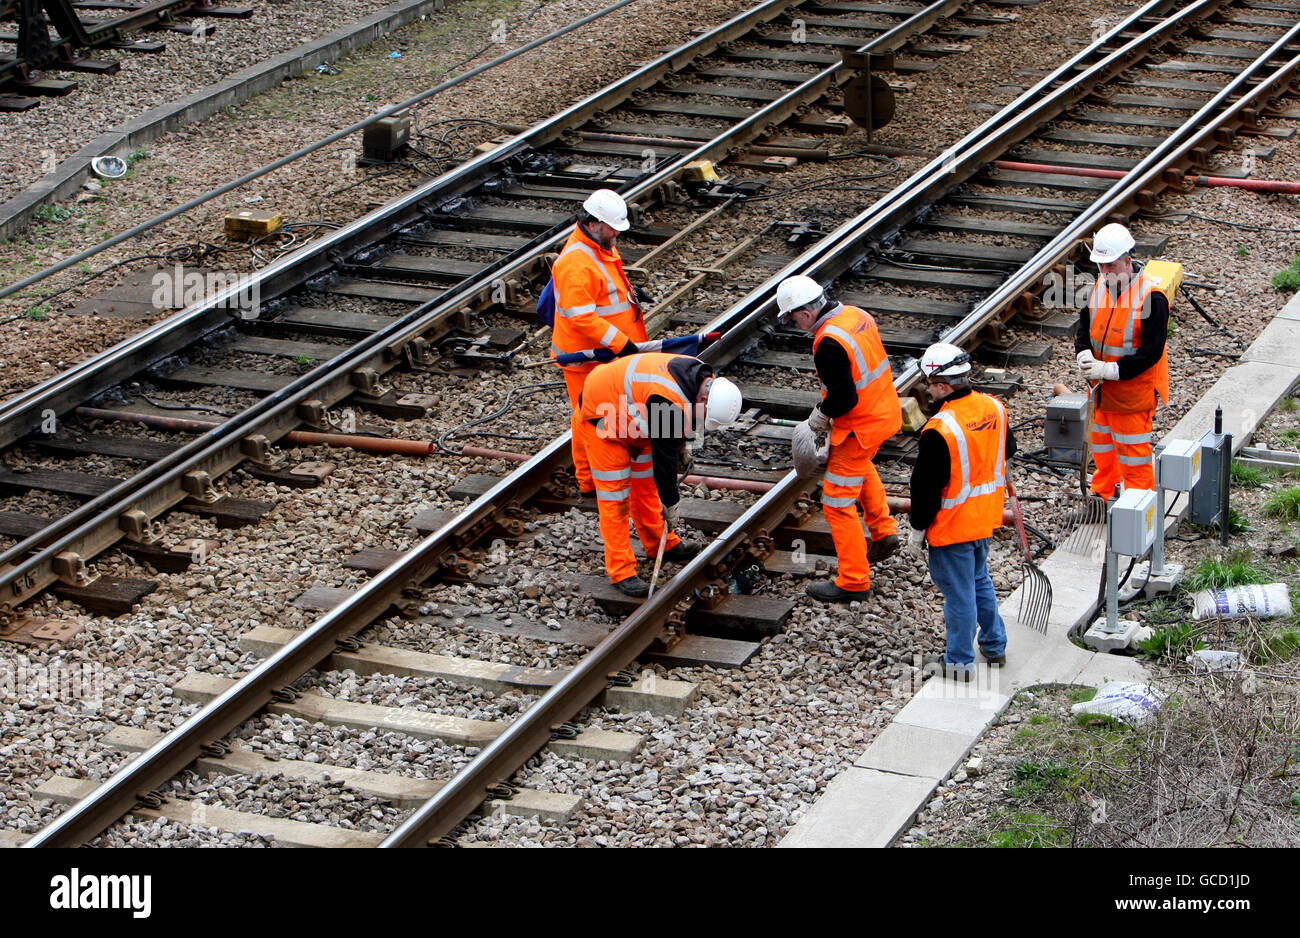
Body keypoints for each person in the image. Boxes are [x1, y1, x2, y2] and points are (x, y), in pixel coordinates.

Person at [778, 275, 902, 603]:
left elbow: (844, 397)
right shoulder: (856, 315)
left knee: (835, 501)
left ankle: (854, 581)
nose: (796, 325)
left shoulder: (829, 342)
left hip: (859, 426)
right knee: (860, 466)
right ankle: (883, 531)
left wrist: (820, 416)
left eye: (793, 319)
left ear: (805, 313)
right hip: (883, 412)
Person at [578, 352, 743, 596]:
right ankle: (621, 571)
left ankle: (661, 544)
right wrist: (671, 502)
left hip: (639, 419)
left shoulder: (704, 379)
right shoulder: (667, 399)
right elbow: (664, 464)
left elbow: (684, 422)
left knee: (646, 490)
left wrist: (684, 444)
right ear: (704, 399)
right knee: (615, 500)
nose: (702, 420)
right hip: (605, 421)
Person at [908, 342, 1016, 680]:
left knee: (959, 595)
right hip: (985, 518)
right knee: (979, 580)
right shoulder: (994, 407)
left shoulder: (940, 429)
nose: (927, 390)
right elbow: (1008, 450)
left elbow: (925, 489)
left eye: (929, 384)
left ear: (942, 386)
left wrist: (917, 528)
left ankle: (958, 662)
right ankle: (995, 644)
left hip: (953, 526)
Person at [550, 189, 649, 493]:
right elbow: (581, 317)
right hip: (586, 356)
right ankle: (589, 480)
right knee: (588, 416)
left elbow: (602, 292)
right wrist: (621, 343)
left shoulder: (598, 246)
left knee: (601, 412)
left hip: (603, 353)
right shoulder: (576, 262)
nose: (617, 233)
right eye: (613, 227)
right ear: (593, 223)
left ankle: (603, 469)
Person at [1074, 222, 1169, 494]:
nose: (1105, 272)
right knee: (1103, 455)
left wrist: (1110, 370)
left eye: (1111, 265)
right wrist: (1082, 352)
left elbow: (1151, 352)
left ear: (1128, 262)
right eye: (1101, 266)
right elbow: (1084, 328)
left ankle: (1138, 510)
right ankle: (1102, 499)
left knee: (1134, 461)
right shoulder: (1099, 287)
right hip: (1100, 394)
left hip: (1131, 398)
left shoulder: (1152, 298)